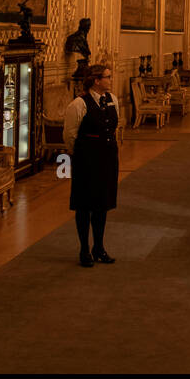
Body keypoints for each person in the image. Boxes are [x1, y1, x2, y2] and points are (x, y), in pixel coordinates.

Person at [64, 64, 119, 267]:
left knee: (101, 205)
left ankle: (99, 247)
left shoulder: (113, 99)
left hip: (107, 159)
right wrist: (81, 154)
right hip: (86, 161)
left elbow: (114, 125)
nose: (110, 79)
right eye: (107, 76)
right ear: (96, 80)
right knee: (85, 205)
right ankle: (84, 250)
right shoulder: (79, 104)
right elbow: (70, 135)